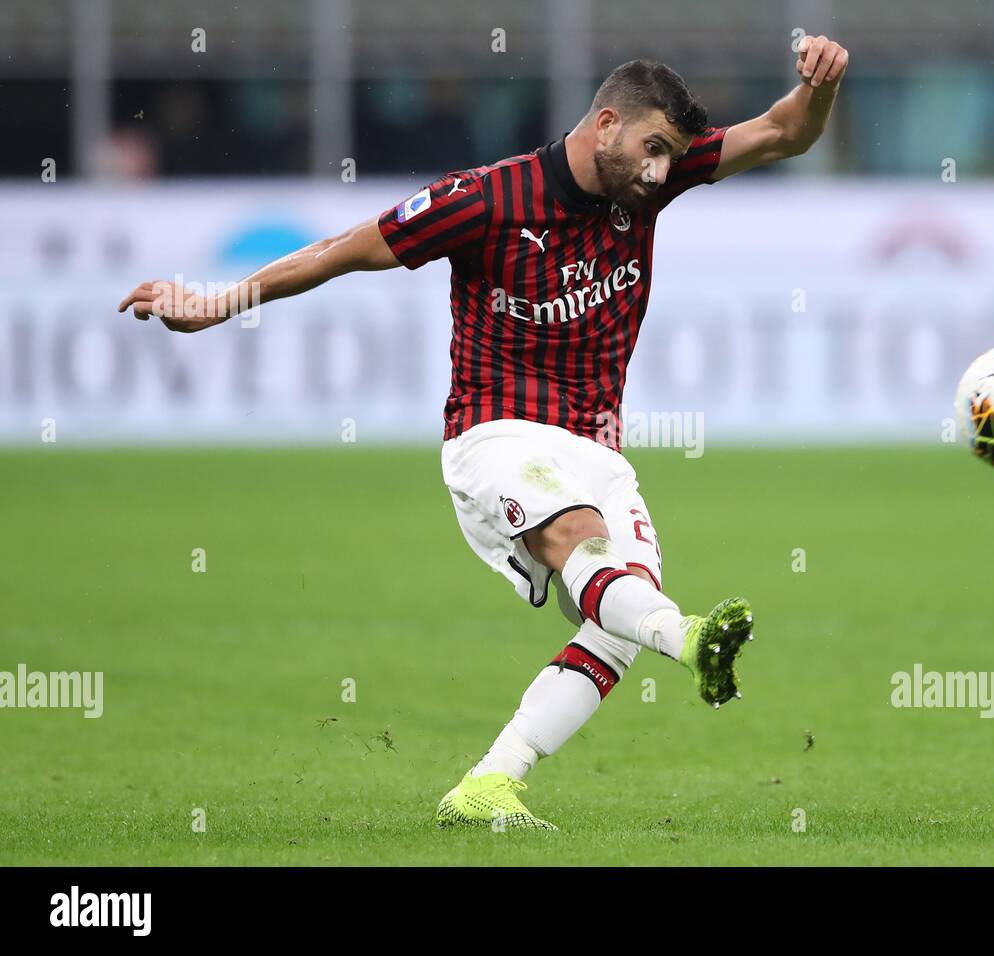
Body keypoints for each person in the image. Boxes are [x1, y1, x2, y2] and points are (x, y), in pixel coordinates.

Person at [116, 36, 849, 830]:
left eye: (672, 156)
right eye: (652, 150)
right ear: (606, 124)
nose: (661, 171)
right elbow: (345, 250)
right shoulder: (487, 198)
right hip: (497, 435)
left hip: (598, 450)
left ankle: (490, 783)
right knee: (586, 546)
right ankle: (696, 637)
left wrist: (820, 85)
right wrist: (217, 301)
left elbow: (786, 131)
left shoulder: (646, 186)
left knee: (617, 622)